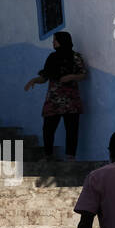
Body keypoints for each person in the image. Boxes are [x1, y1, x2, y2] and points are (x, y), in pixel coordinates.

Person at [24, 31, 87, 160]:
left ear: (63, 41)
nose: (53, 42)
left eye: (55, 40)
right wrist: (34, 80)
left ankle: (70, 157)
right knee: (48, 128)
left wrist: (71, 76)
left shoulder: (75, 57)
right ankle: (48, 155)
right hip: (53, 99)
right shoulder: (52, 57)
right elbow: (45, 77)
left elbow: (83, 74)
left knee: (71, 128)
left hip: (70, 99)